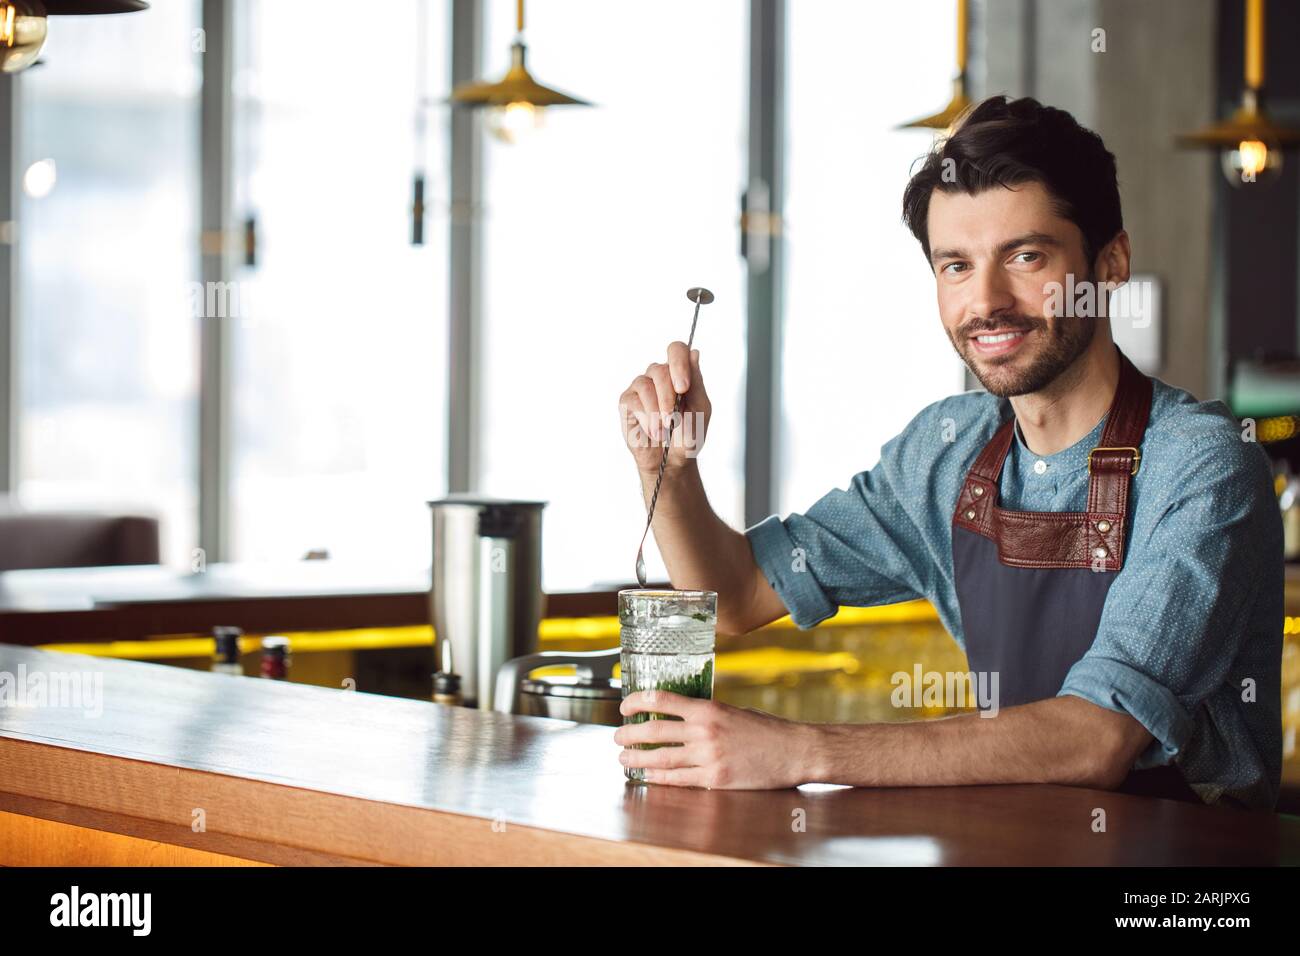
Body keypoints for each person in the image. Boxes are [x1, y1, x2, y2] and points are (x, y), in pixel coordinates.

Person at [613, 95, 1282, 810]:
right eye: (955, 266)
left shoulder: (1203, 467)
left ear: (1110, 261)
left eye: (1025, 256)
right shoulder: (947, 454)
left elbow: (1096, 738)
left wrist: (800, 751)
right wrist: (668, 472)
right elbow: (736, 594)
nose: (986, 301)